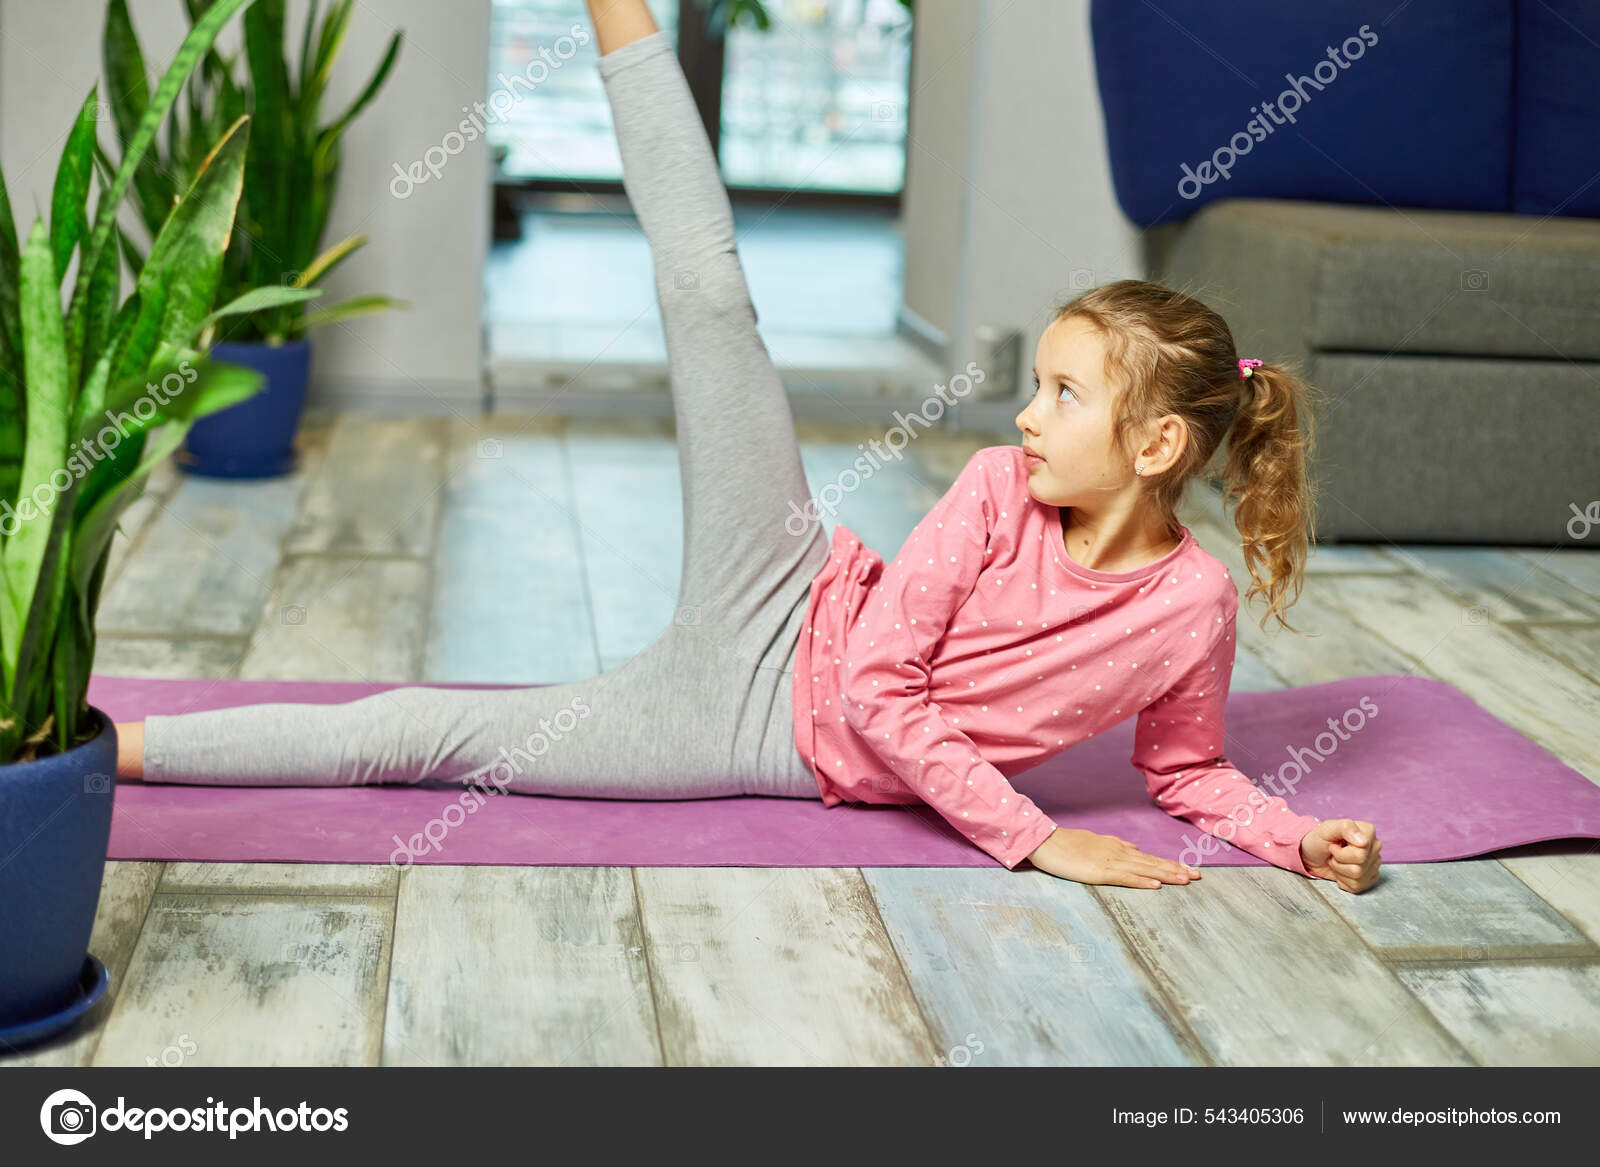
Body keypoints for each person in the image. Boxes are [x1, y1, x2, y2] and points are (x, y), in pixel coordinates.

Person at [115, 0, 1380, 894]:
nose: (1022, 414)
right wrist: (1035, 836)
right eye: (1036, 385)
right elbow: (883, 686)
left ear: (1159, 442)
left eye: (1060, 393)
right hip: (777, 596)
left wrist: (1292, 835)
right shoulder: (1000, 489)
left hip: (743, 741)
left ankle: (125, 749)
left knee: (427, 743)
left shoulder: (1189, 607)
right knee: (709, 298)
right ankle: (117, 750)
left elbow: (1190, 768)